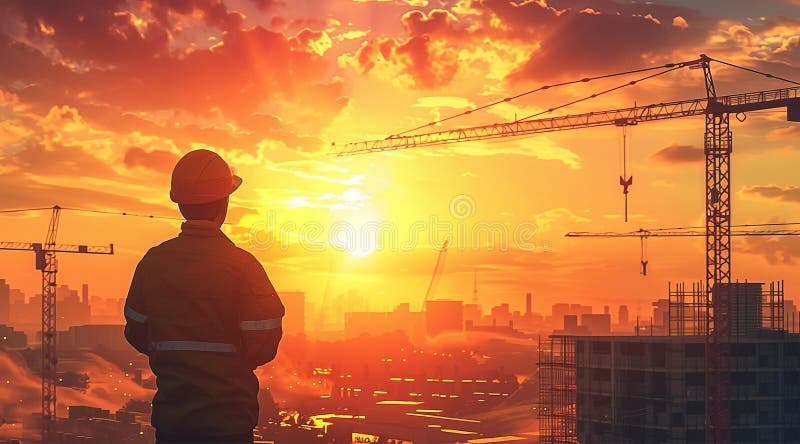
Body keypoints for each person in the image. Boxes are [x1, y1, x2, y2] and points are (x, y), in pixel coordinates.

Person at [124, 149, 284, 444]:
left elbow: (136, 332)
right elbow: (265, 342)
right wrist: (226, 366)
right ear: (224, 202)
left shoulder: (153, 263)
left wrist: (179, 360)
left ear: (180, 204)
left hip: (173, 424)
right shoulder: (243, 267)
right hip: (229, 424)